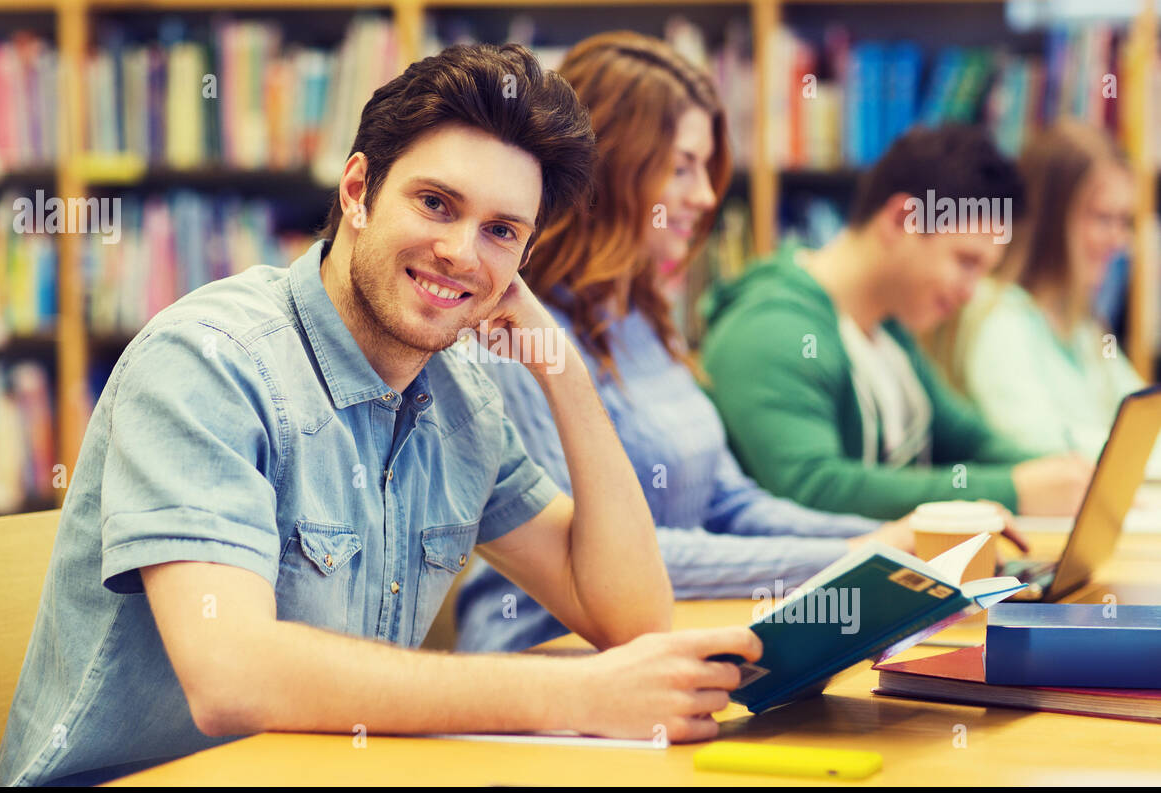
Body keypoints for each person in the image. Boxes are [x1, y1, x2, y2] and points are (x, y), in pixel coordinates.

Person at [0, 43, 764, 786]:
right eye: (436, 203)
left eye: (501, 231)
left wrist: (562, 368)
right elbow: (231, 676)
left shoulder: (461, 398)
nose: (463, 252)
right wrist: (575, 697)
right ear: (357, 191)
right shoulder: (209, 361)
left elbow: (629, 618)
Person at [455, 32, 952, 657]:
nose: (707, 196)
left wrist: (886, 539)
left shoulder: (642, 317)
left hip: (661, 634)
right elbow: (602, 553)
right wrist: (848, 556)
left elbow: (730, 502)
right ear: (611, 171)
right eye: (682, 167)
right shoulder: (516, 333)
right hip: (547, 654)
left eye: (706, 168)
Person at [699, 124, 1094, 521]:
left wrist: (1072, 479)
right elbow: (812, 489)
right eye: (965, 262)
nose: (970, 292)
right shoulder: (772, 329)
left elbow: (966, 438)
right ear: (902, 219)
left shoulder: (885, 325)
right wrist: (1012, 492)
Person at [944, 121, 1153, 463]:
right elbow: (1036, 442)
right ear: (1050, 220)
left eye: (1123, 221)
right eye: (1103, 218)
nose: (1120, 241)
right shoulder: (997, 316)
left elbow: (1143, 413)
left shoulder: (1081, 323)